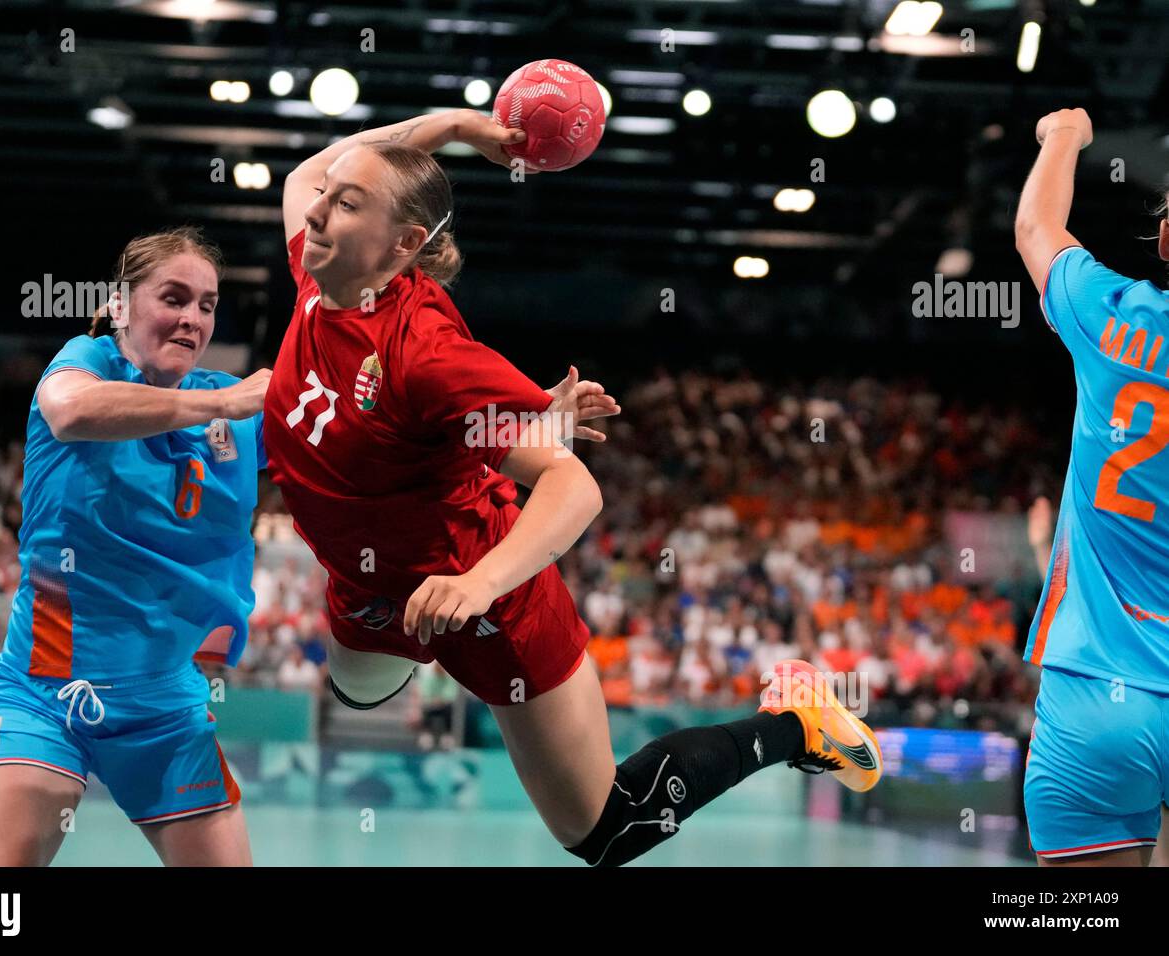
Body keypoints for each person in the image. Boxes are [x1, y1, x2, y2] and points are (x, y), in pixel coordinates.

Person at [263, 107, 883, 866]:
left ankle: (798, 724)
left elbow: (574, 485)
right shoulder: (314, 266)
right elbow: (311, 174)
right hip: (368, 583)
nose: (317, 206)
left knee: (605, 831)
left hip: (485, 589)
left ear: (405, 245)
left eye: (347, 202)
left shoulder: (426, 355)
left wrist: (479, 583)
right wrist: (460, 123)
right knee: (357, 692)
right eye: (327, 193)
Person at [0, 227, 271, 866]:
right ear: (123, 306)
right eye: (174, 298)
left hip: (166, 703)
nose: (192, 319)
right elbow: (71, 410)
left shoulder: (236, 417)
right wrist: (225, 400)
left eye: (207, 305)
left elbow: (360, 432)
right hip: (45, 685)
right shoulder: (87, 364)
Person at [1016, 107, 1169, 865]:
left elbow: (1038, 231)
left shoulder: (1112, 317)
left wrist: (1065, 138)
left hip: (1095, 699)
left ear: (1168, 241)